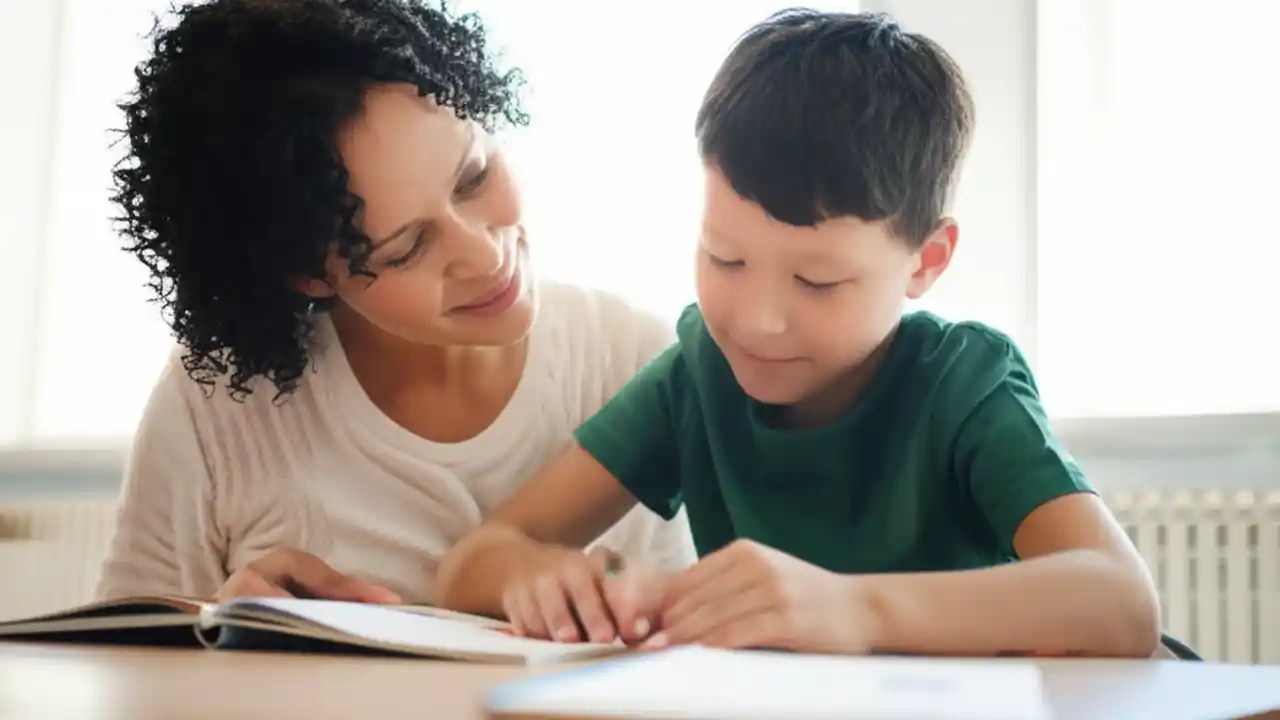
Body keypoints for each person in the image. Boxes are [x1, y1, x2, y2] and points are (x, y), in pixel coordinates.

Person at [436, 9, 1161, 657]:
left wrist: (849, 608)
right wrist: (546, 578)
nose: (756, 319)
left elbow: (1123, 605)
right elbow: (474, 560)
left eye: (818, 282)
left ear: (926, 261)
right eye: (726, 257)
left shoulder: (964, 384)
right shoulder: (699, 375)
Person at [96, 0, 693, 605]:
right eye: (407, 248)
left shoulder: (634, 362)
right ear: (308, 275)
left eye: (474, 177)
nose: (484, 256)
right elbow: (122, 669)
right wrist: (229, 638)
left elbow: (688, 667)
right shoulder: (218, 405)